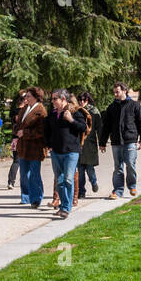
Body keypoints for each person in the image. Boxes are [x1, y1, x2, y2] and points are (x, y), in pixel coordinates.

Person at [44, 89, 87, 219]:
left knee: (68, 179)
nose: (52, 101)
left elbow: (83, 128)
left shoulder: (74, 112)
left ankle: (66, 208)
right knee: (60, 180)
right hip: (56, 152)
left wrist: (71, 120)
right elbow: (46, 131)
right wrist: (49, 145)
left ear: (63, 99)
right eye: (52, 99)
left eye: (54, 99)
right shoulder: (52, 115)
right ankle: (63, 206)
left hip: (71, 151)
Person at [101, 81, 141, 199]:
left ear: (124, 91)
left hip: (130, 140)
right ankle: (117, 190)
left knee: (130, 164)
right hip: (116, 141)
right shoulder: (111, 107)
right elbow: (106, 126)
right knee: (118, 167)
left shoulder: (134, 105)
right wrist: (102, 142)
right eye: (114, 92)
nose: (115, 94)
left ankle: (132, 186)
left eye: (117, 92)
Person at [12, 87, 48, 208]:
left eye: (28, 96)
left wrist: (25, 133)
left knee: (34, 174)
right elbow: (18, 125)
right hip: (23, 147)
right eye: (25, 96)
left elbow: (41, 131)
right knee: (23, 174)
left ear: (36, 97)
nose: (26, 98)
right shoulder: (24, 109)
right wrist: (16, 131)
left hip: (35, 148)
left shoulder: (41, 111)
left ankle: (36, 198)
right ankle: (25, 196)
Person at [75, 92, 102, 200]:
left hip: (90, 143)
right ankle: (81, 192)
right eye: (80, 100)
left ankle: (94, 182)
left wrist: (102, 142)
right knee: (80, 170)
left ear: (87, 100)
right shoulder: (76, 111)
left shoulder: (94, 111)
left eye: (84, 100)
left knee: (90, 168)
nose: (82, 102)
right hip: (78, 144)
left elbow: (99, 127)